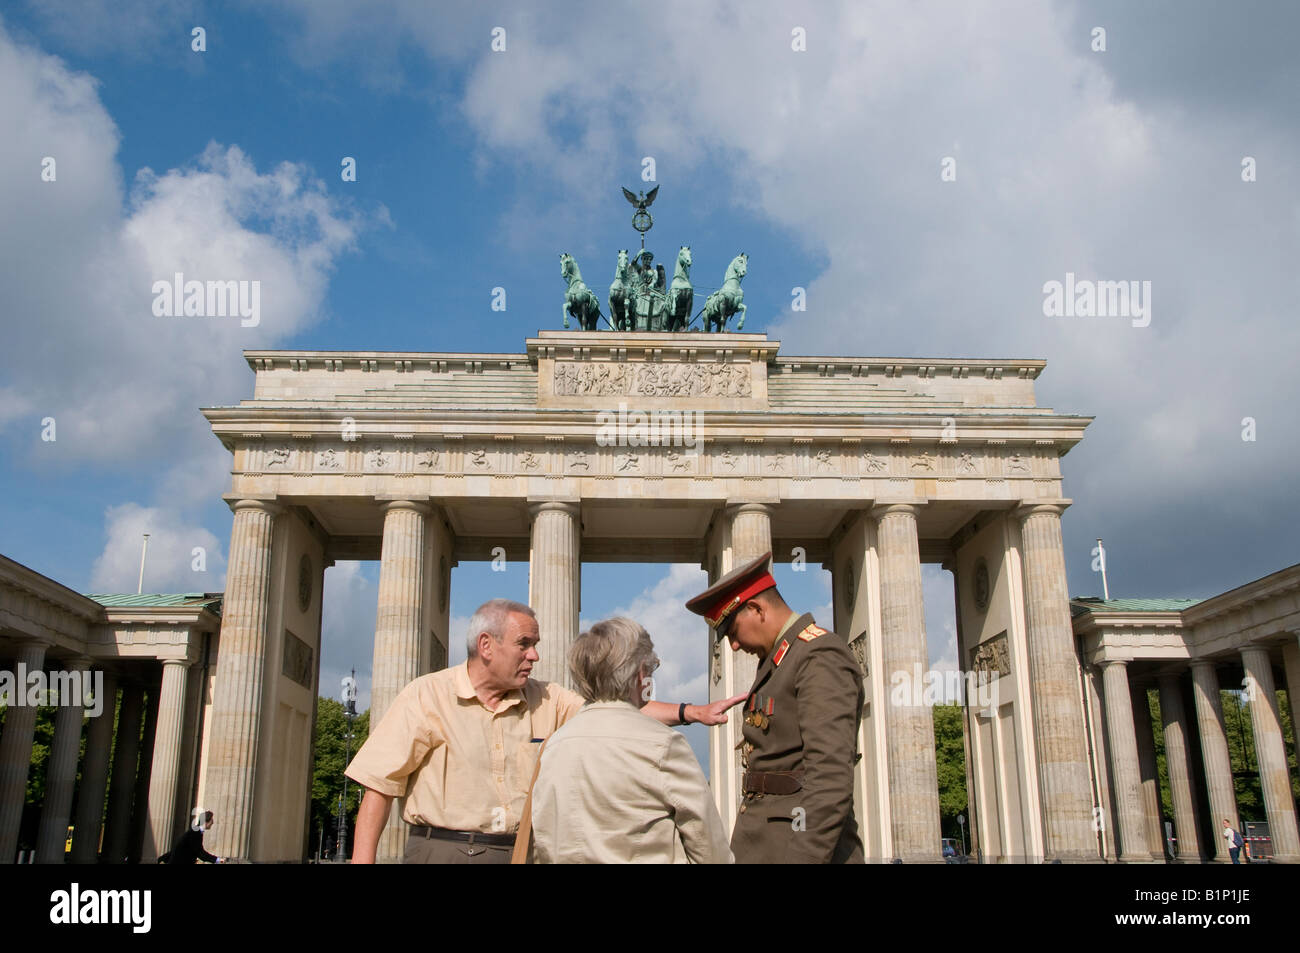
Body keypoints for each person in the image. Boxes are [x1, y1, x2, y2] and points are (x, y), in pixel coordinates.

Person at [345, 598, 744, 864]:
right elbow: (379, 789)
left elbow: (614, 711)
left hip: (517, 854)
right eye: (525, 644)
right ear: (487, 645)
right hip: (440, 851)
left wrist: (691, 711)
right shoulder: (425, 696)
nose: (535, 654)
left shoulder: (549, 699)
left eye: (535, 644)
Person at [685, 551, 865, 864]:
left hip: (795, 849)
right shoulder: (781, 660)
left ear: (756, 608)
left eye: (732, 632)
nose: (735, 645)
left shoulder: (819, 655)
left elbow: (830, 780)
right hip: (770, 844)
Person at [529, 617, 733, 864]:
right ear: (640, 676)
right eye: (652, 668)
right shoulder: (664, 745)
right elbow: (708, 846)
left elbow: (542, 840)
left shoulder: (553, 747)